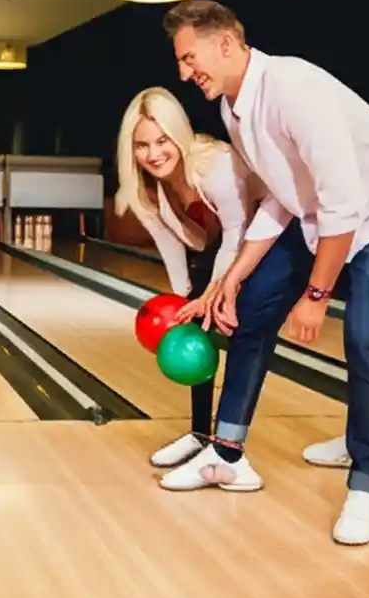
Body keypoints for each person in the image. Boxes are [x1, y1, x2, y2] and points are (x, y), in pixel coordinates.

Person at [158, 0, 369, 546]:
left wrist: (315, 295)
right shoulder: (233, 110)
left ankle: (365, 485)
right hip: (319, 217)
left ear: (225, 44)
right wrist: (235, 275)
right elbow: (283, 199)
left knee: (366, 339)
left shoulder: (293, 89)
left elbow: (344, 204)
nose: (185, 74)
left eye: (190, 59)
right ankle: (227, 455)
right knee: (250, 308)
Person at [112, 86, 263, 468]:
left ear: (178, 132)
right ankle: (199, 435)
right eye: (142, 145)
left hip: (262, 241)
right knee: (196, 328)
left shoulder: (215, 164)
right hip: (219, 248)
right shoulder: (144, 188)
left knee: (241, 334)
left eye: (162, 140)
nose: (153, 154)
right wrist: (184, 301)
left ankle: (226, 446)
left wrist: (213, 293)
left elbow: (238, 230)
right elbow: (170, 245)